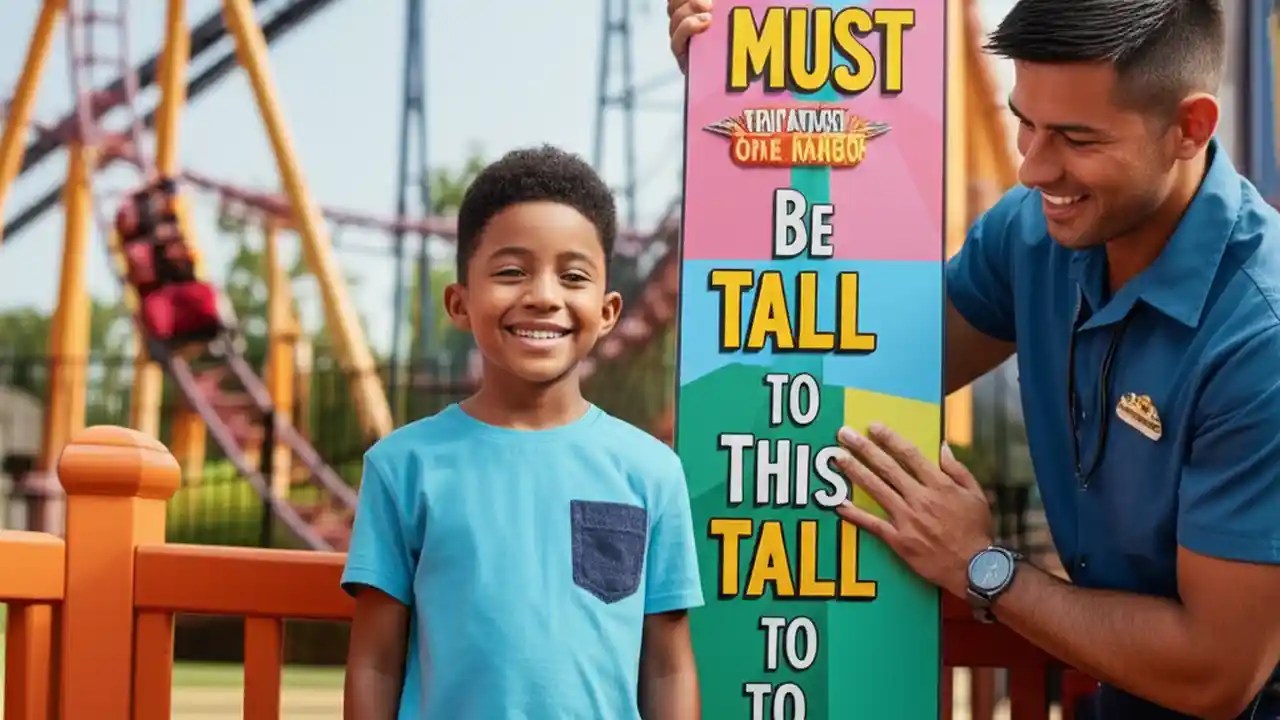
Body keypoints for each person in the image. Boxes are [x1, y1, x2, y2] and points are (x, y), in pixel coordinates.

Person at [670, 0, 1280, 718]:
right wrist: (745, 103)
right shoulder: (1032, 235)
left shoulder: (1260, 338)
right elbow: (850, 374)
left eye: (1075, 139)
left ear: (1190, 128)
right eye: (1024, 121)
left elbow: (1216, 672)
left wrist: (981, 568)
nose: (1031, 167)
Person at [340, 145, 704, 720]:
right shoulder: (402, 466)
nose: (542, 295)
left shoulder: (651, 471)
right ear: (459, 303)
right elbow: (375, 662)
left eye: (573, 275)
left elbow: (667, 664)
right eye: (511, 272)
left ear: (608, 310)